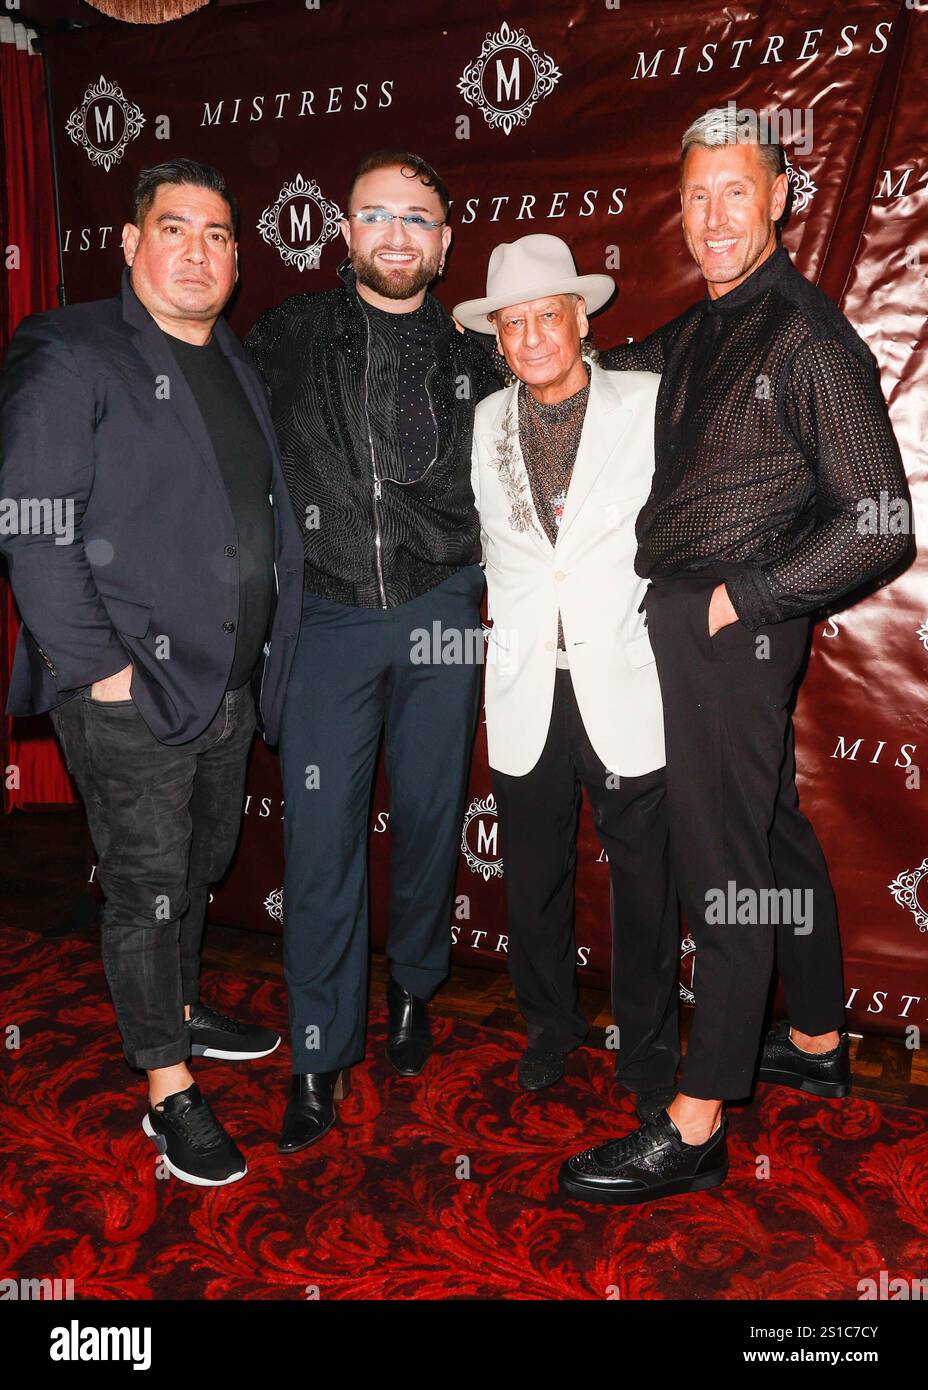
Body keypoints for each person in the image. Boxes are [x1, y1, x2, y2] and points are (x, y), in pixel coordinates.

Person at [558, 107, 914, 1206]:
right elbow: (619, 374)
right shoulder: (710, 321)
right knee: (770, 835)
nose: (713, 217)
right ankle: (810, 1036)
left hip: (730, 634)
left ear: (777, 198)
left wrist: (740, 599)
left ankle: (698, 1116)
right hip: (698, 625)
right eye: (697, 195)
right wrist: (549, 347)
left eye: (734, 192)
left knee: (723, 869)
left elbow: (880, 520)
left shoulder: (805, 337)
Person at [0, 159, 305, 1186]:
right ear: (131, 244)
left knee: (199, 864)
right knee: (146, 886)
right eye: (175, 229)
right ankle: (168, 1090)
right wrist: (95, 675)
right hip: (128, 686)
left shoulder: (236, 361)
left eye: (219, 235)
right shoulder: (69, 347)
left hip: (228, 679)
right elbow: (34, 528)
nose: (199, 251)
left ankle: (175, 1003)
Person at [245, 150, 501, 1154]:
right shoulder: (285, 333)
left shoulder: (480, 351)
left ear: (443, 243)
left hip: (442, 609)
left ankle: (416, 992)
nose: (396, 234)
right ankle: (318, 1054)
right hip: (329, 622)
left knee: (434, 822)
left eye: (418, 218)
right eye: (376, 215)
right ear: (345, 232)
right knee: (319, 846)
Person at [455, 235, 679, 1118]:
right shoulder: (483, 423)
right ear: (498, 339)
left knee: (645, 885)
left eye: (549, 315)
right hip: (523, 690)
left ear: (581, 319)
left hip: (624, 681)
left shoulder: (648, 403)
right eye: (514, 323)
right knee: (535, 877)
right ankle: (549, 1028)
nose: (533, 335)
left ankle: (649, 1046)